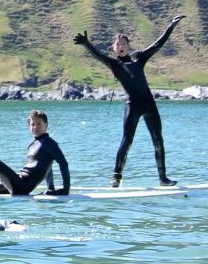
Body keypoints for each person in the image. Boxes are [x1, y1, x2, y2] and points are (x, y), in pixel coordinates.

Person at [73, 14, 185, 187]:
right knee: (127, 140)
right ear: (114, 48)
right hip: (132, 105)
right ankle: (116, 177)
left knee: (158, 139)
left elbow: (157, 45)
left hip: (149, 104)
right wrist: (87, 44)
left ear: (128, 46)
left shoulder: (138, 57)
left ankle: (163, 178)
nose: (121, 47)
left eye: (124, 44)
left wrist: (171, 26)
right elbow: (98, 55)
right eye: (118, 44)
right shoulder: (114, 64)